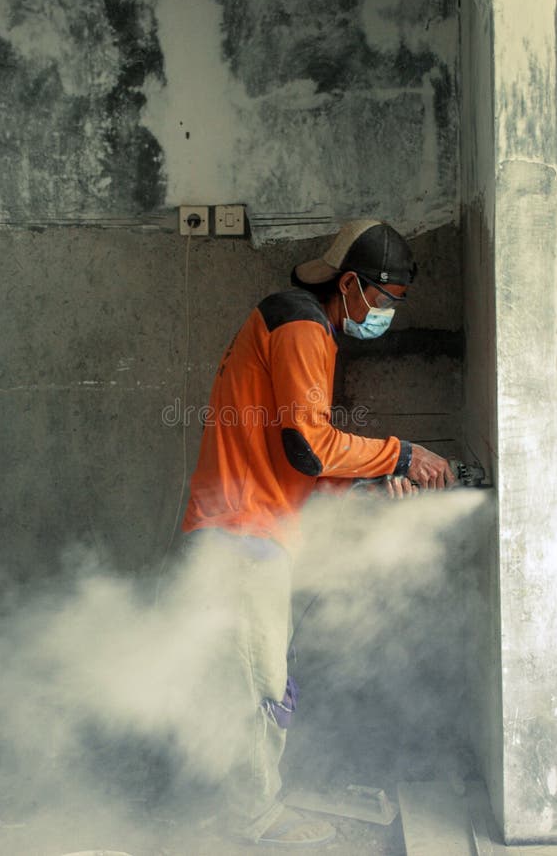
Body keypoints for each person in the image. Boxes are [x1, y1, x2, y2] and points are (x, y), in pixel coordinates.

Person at [181, 219, 454, 848]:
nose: (386, 315)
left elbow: (297, 457)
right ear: (353, 285)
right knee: (258, 688)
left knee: (247, 682)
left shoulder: (303, 330)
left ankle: (231, 811)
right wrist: (401, 454)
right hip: (243, 533)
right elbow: (309, 446)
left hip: (242, 528)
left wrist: (365, 483)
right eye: (385, 301)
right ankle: (254, 821)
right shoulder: (301, 322)